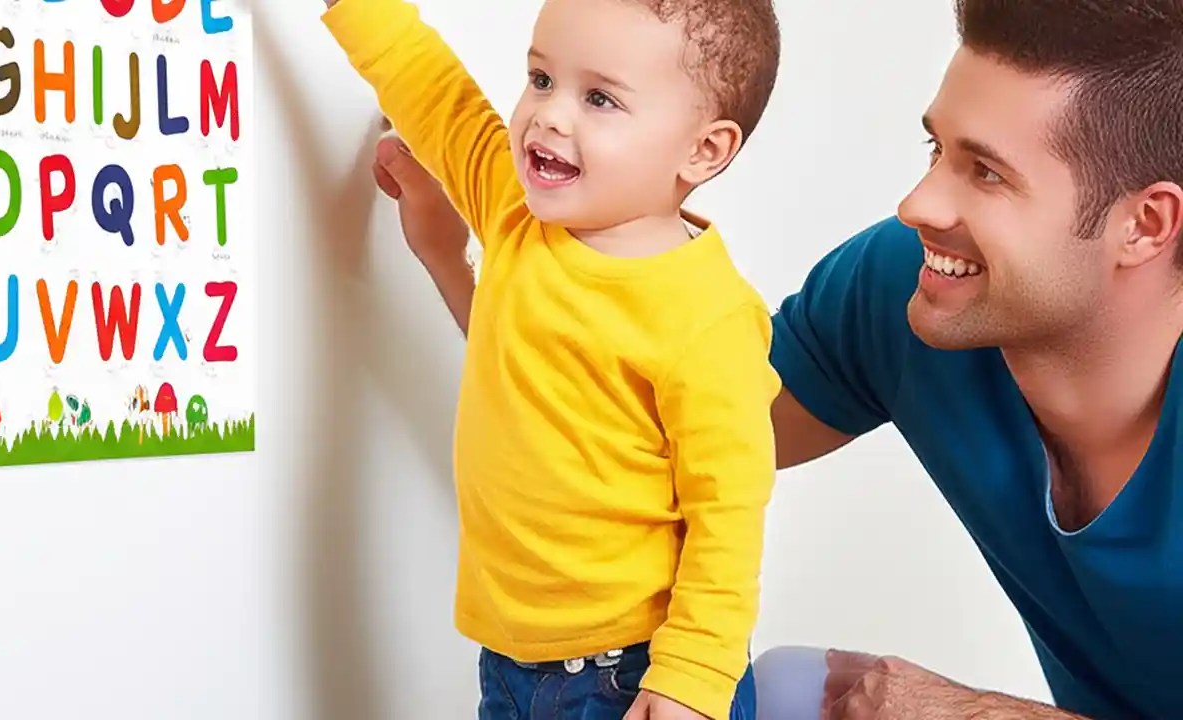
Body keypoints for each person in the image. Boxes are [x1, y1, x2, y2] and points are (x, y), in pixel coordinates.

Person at [366, 0, 1183, 718]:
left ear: (1145, 226)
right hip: (552, 667)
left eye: (989, 174)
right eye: (934, 149)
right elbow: (616, 419)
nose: (917, 204)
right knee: (796, 688)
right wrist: (455, 261)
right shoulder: (907, 287)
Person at [318, 0, 786, 717]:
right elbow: (433, 90)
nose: (549, 116)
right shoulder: (513, 210)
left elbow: (728, 512)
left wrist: (691, 675)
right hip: (509, 665)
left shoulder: (708, 317)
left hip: (635, 672)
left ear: (703, 150)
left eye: (599, 98)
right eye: (540, 79)